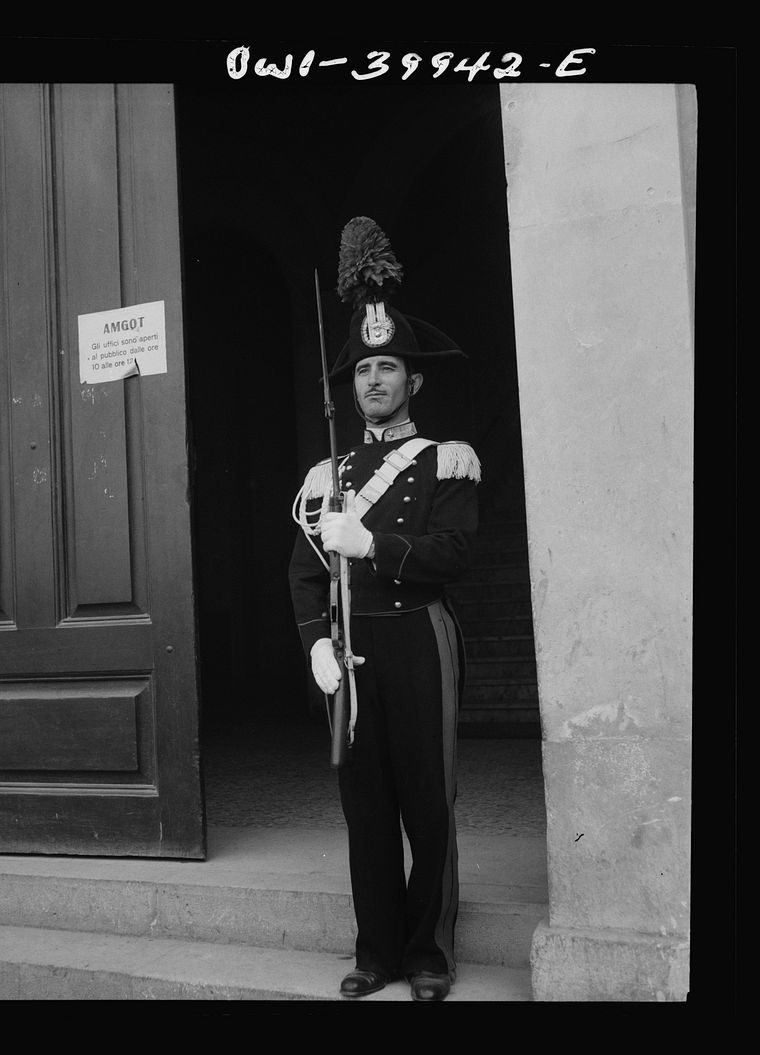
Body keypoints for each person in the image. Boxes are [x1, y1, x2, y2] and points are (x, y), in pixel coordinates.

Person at [288, 217, 480, 1001]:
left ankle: (428, 950)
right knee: (364, 806)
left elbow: (455, 553)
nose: (373, 380)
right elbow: (303, 574)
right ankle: (377, 951)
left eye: (388, 367)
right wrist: (314, 645)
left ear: (414, 380)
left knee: (427, 803)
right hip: (353, 650)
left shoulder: (447, 460)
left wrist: (368, 545)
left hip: (419, 640)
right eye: (364, 367)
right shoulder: (325, 471)